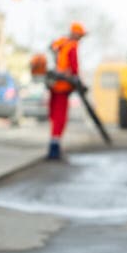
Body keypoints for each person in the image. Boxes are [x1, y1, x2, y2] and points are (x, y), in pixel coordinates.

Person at [46, 22, 86, 160]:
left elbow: (52, 47)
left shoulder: (62, 43)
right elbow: (74, 68)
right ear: (76, 34)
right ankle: (54, 149)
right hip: (62, 87)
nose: (80, 39)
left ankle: (54, 146)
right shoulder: (72, 46)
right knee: (60, 117)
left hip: (55, 85)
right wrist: (76, 79)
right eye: (80, 36)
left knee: (54, 116)